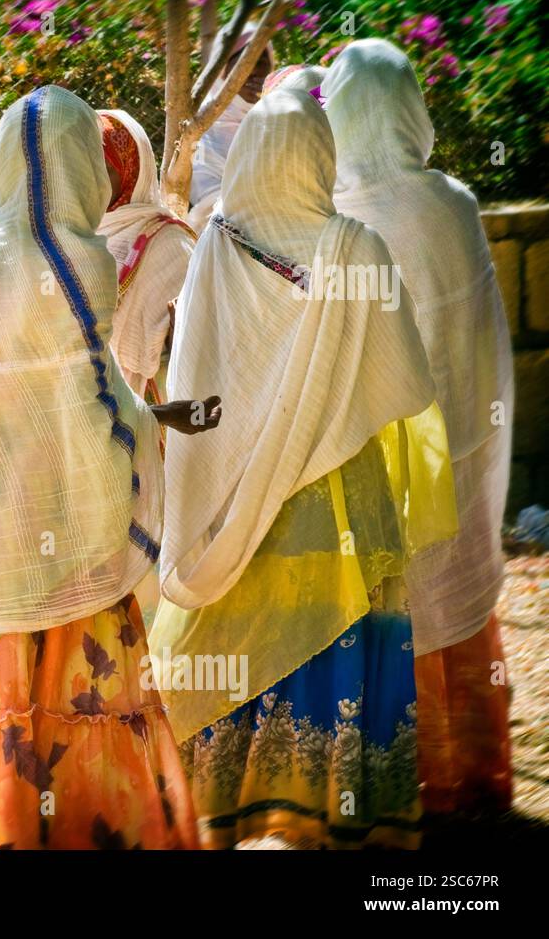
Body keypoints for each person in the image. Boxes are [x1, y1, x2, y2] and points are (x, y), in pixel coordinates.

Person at [0, 86, 219, 849]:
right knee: (75, 702)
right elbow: (90, 405)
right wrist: (144, 431)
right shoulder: (78, 257)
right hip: (62, 533)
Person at [151, 86, 458, 849]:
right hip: (343, 495)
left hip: (236, 494)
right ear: (321, 156)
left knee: (246, 630)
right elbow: (403, 380)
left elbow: (194, 372)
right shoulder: (355, 247)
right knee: (336, 632)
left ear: (252, 154)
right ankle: (332, 807)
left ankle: (229, 805)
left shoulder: (215, 242)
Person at [324, 39, 514, 816]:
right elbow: (484, 343)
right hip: (460, 450)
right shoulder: (454, 203)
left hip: (374, 463)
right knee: (451, 598)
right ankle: (464, 775)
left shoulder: (333, 223)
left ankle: (388, 787)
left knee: (388, 607)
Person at [96, 108, 195, 402]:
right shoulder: (76, 234)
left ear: (131, 171)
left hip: (160, 410)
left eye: (105, 168)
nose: (92, 180)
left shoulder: (169, 243)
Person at [187, 22, 276, 234]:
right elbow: (205, 195)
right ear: (224, 71)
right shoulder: (204, 123)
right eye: (244, 61)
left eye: (261, 60)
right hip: (217, 231)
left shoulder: (277, 113)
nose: (254, 69)